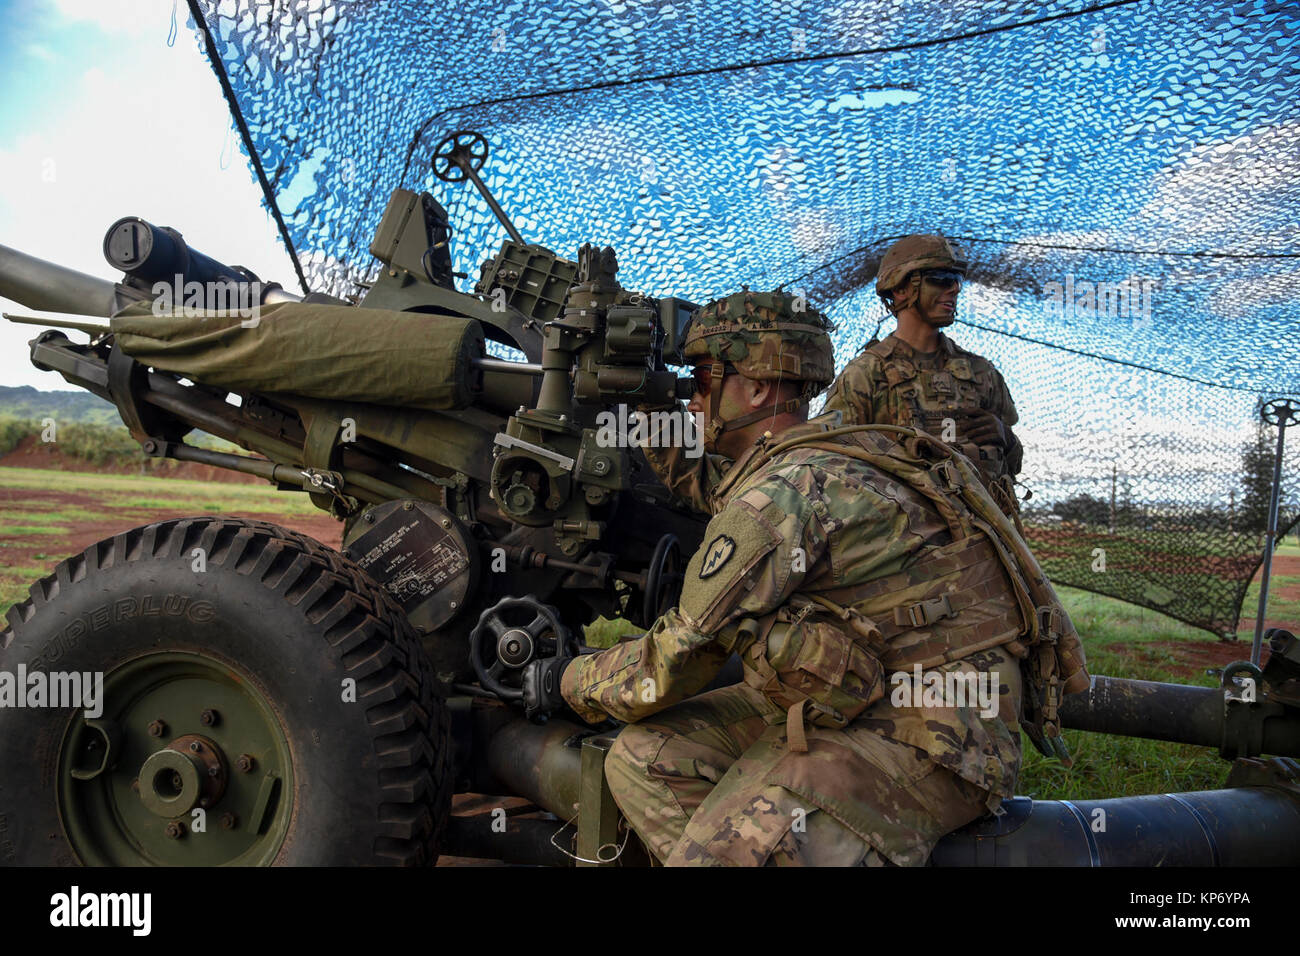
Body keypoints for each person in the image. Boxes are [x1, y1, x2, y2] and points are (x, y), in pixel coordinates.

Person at [520, 290, 1088, 866]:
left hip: (935, 737)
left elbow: (675, 657)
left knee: (713, 856)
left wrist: (568, 679)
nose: (690, 398)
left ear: (759, 386)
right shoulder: (833, 453)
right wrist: (647, 410)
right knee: (646, 756)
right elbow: (714, 486)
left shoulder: (786, 493)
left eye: (701, 379)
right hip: (866, 699)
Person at [823, 235, 1024, 514]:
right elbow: (833, 468)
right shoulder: (866, 374)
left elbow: (1012, 463)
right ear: (901, 289)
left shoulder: (981, 373)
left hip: (987, 540)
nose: (954, 289)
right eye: (941, 278)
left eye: (956, 281)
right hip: (907, 547)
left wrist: (1006, 436)